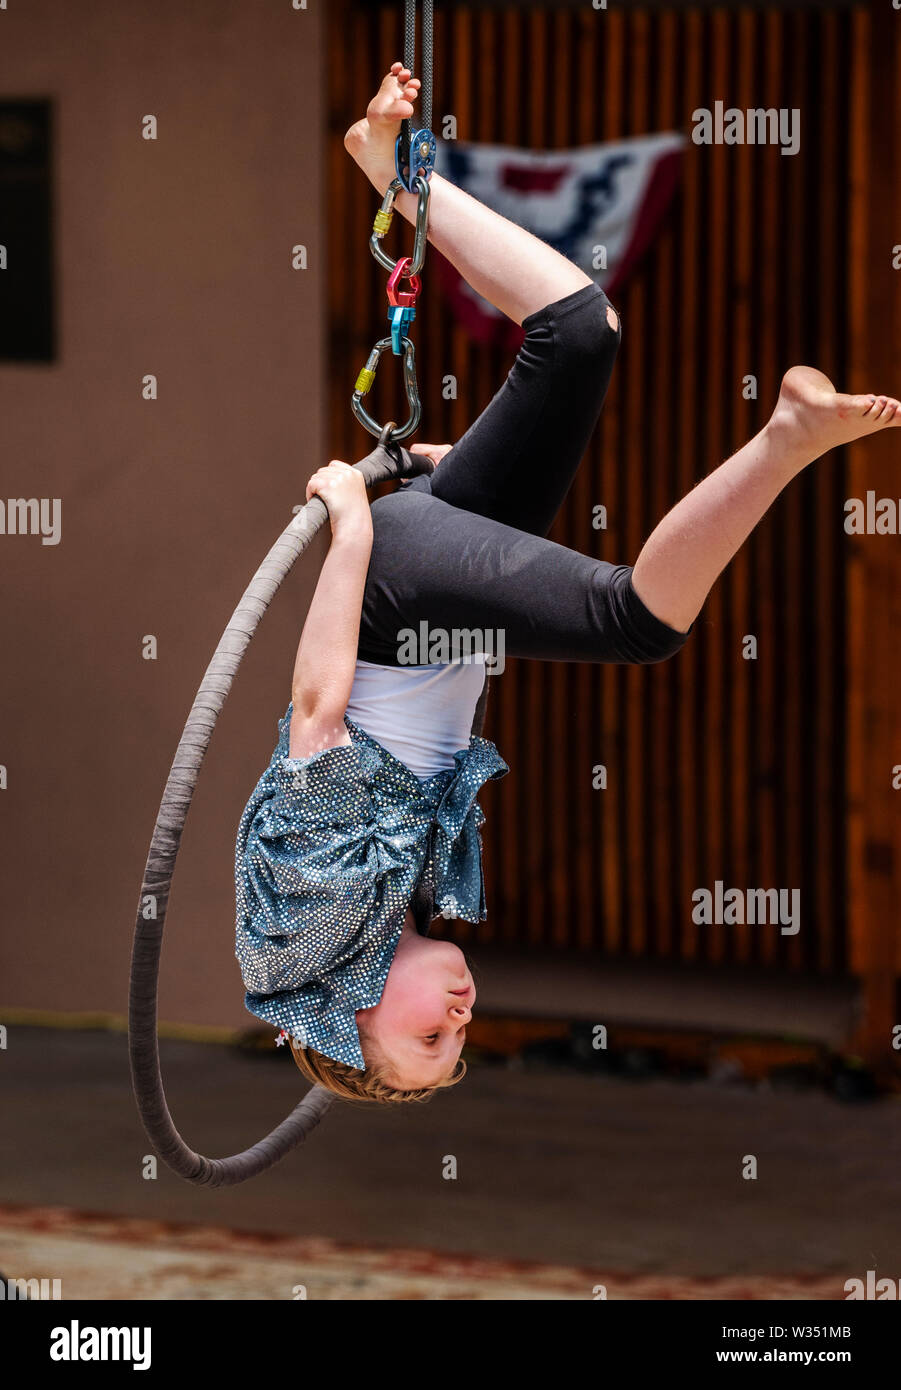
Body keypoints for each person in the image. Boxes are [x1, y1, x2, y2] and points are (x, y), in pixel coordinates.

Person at [235, 63, 901, 1106]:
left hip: (394, 597)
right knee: (578, 333)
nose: (458, 1022)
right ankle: (389, 171)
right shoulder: (401, 912)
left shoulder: (315, 926)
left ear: (354, 1025)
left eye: (426, 1044)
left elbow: (316, 714)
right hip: (427, 587)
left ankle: (784, 440)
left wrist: (354, 524)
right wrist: (427, 482)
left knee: (632, 621)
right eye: (461, 1045)